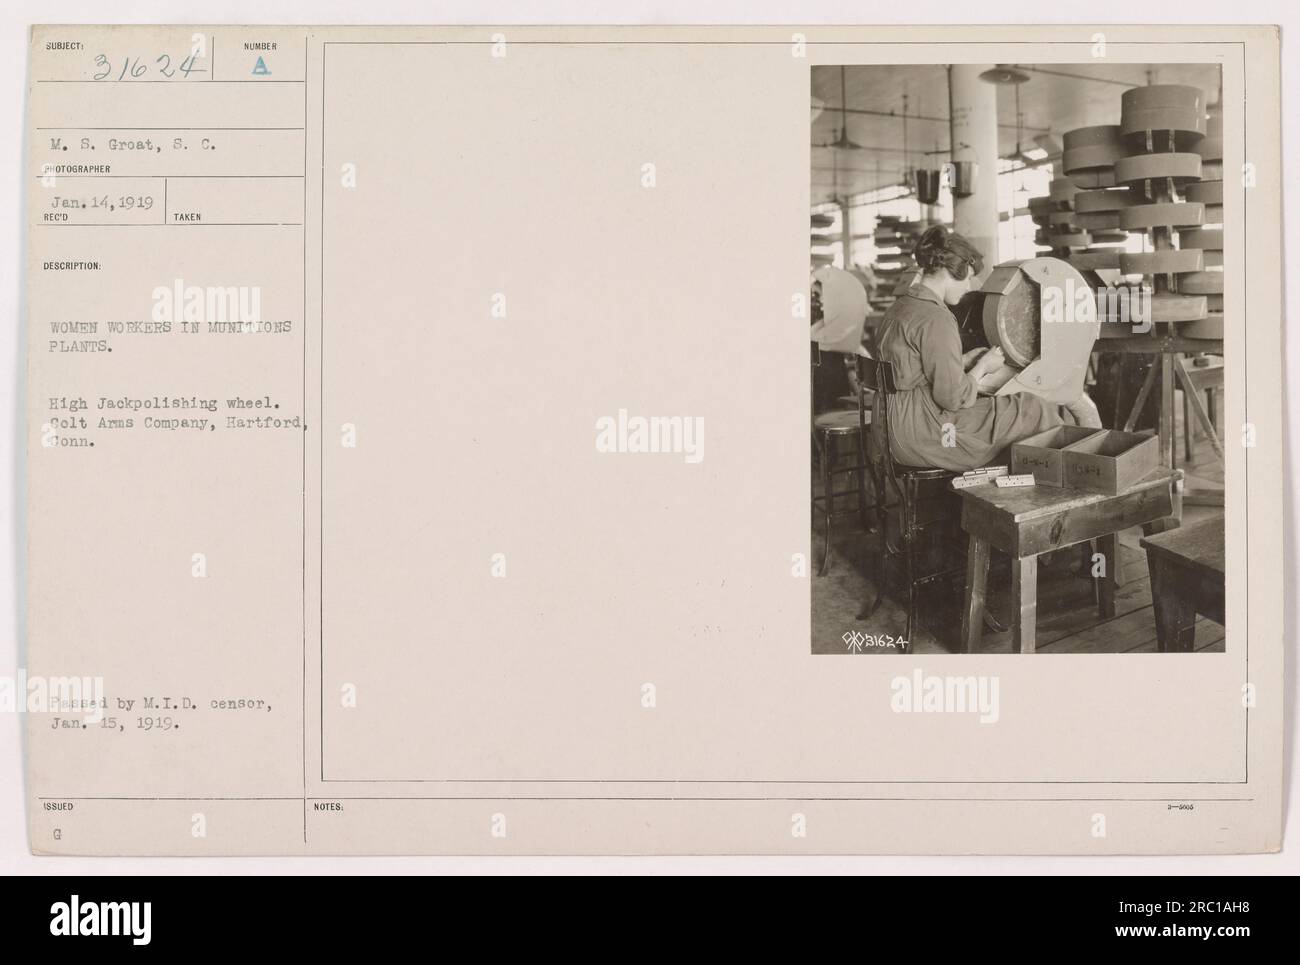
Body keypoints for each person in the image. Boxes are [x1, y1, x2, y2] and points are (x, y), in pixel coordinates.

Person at [873, 226, 1087, 472]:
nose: (968, 287)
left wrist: (961, 362)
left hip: (888, 430)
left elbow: (912, 366)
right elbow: (953, 398)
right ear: (948, 272)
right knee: (1034, 408)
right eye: (967, 278)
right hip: (932, 435)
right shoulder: (936, 318)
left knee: (1010, 412)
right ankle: (1037, 494)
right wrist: (983, 367)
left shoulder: (902, 307)